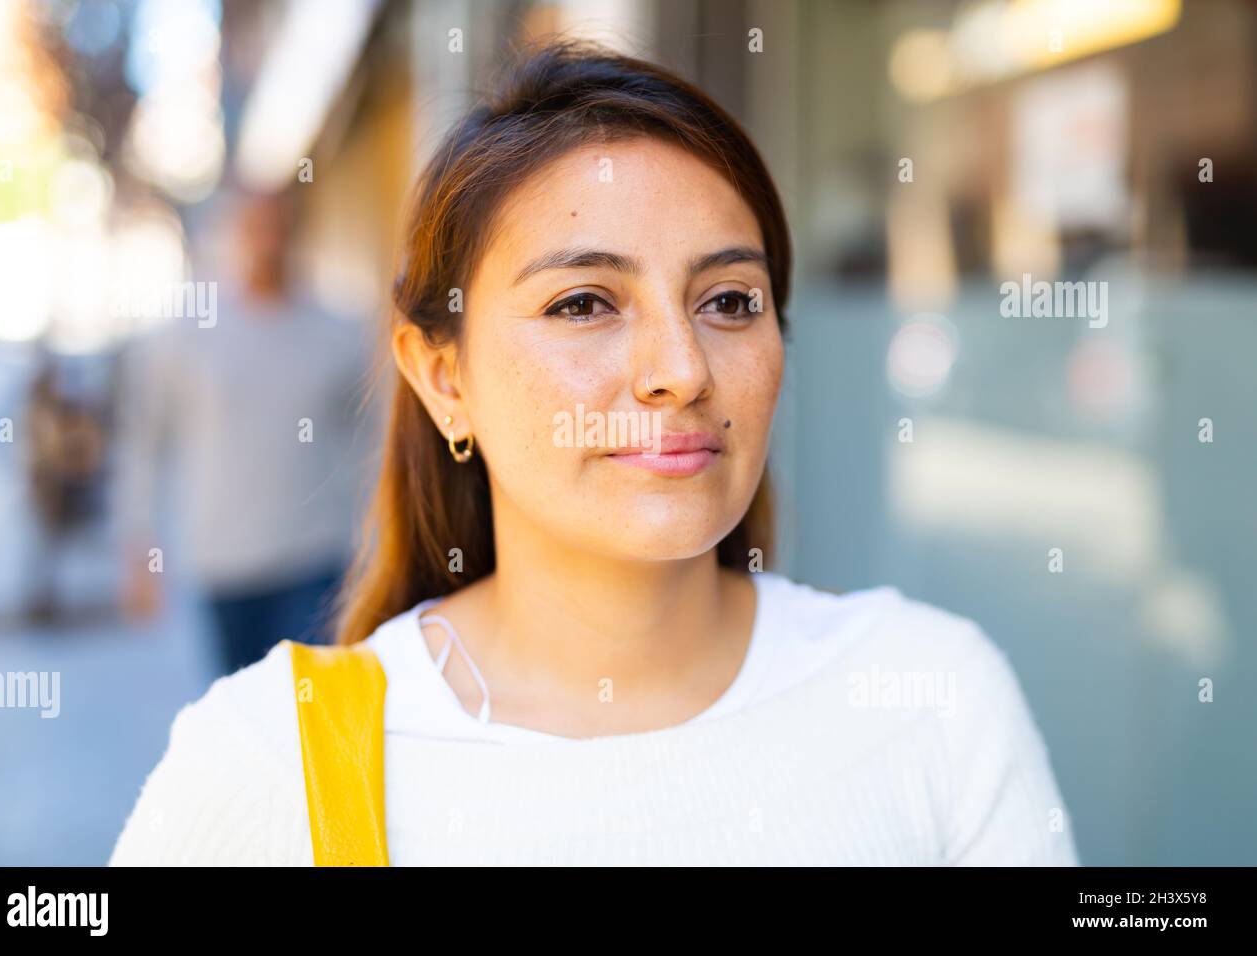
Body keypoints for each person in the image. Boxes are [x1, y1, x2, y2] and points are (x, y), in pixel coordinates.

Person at [110, 39, 1079, 865]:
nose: (679, 370)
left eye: (729, 301)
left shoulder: (934, 696)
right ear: (443, 375)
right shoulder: (268, 764)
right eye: (582, 303)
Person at [115, 189, 376, 675]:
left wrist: (381, 545)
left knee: (310, 711)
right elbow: (146, 446)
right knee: (247, 720)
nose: (269, 240)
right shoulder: (185, 338)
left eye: (279, 226)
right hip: (223, 563)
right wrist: (139, 548)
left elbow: (374, 443)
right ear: (235, 232)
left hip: (315, 559)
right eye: (257, 226)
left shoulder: (338, 333)